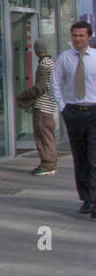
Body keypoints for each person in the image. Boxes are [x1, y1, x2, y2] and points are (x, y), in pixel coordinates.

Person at [53, 20, 96, 214]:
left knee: (94, 157)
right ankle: (86, 198)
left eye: (81, 35)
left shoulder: (95, 57)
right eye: (75, 36)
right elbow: (55, 83)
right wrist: (63, 108)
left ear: (89, 37)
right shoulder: (65, 58)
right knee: (80, 158)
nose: (78, 39)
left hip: (94, 111)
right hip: (74, 112)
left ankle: (95, 200)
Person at [31, 40, 57, 176]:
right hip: (49, 105)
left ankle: (47, 164)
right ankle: (49, 163)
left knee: (42, 135)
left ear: (36, 50)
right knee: (48, 135)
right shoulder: (52, 63)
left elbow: (40, 87)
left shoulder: (43, 65)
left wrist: (25, 97)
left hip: (42, 106)